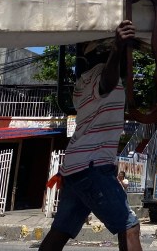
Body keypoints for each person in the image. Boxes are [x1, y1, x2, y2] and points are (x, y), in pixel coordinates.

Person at [40, 20, 142, 251]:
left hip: (75, 168)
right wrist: (117, 47)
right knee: (130, 228)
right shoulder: (100, 77)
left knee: (60, 231)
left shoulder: (81, 83)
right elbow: (106, 82)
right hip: (92, 167)